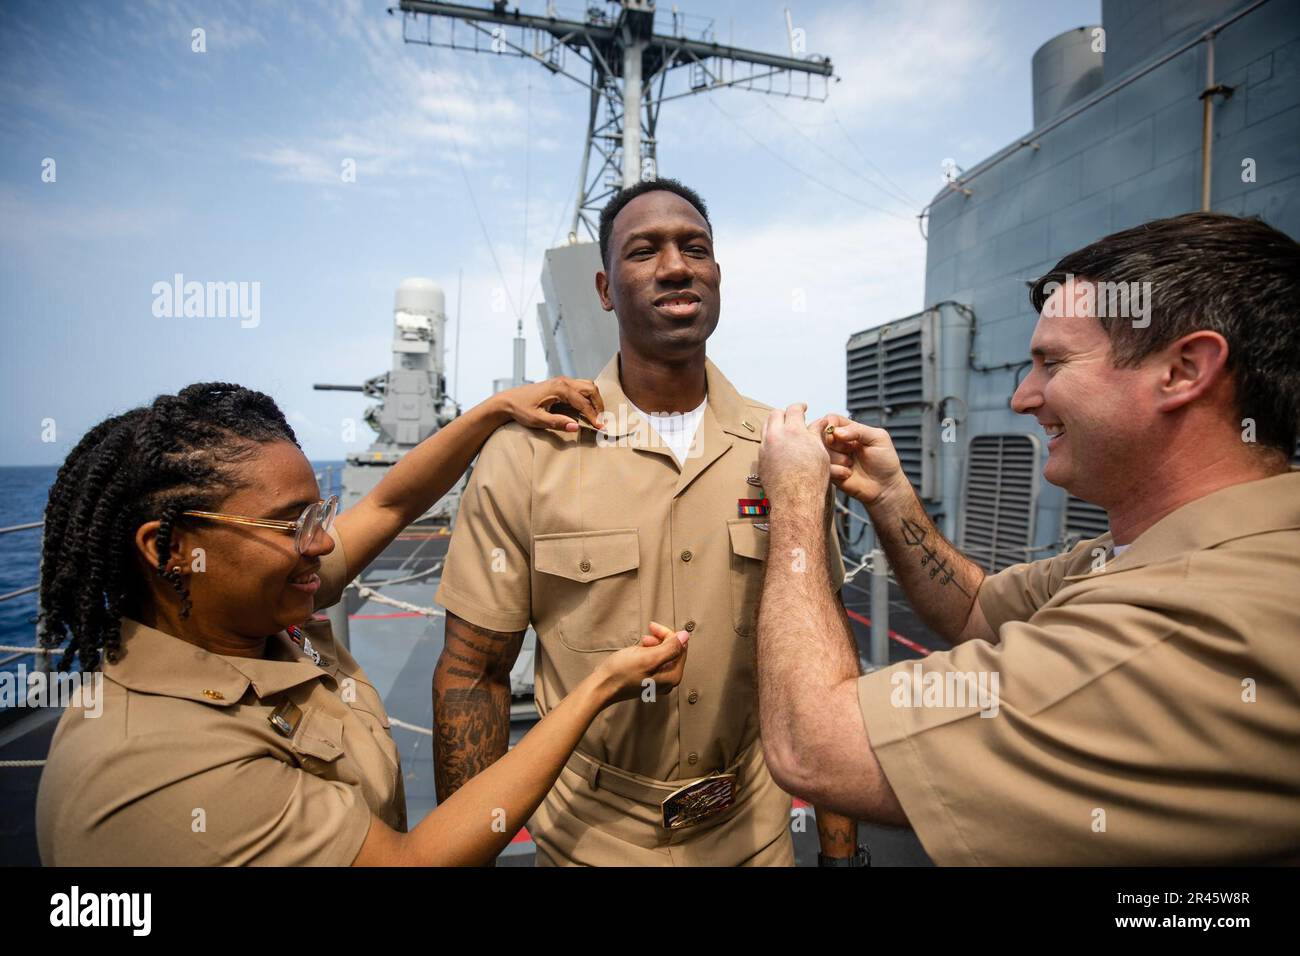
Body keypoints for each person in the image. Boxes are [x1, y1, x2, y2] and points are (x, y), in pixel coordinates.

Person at [754, 212, 1300, 864]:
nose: (1023, 397)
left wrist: (791, 502)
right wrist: (891, 495)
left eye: (1051, 363)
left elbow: (813, 746)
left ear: (1184, 370)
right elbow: (974, 606)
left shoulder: (1196, 616)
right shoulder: (1157, 553)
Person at [36, 378, 692, 866]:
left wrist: (496, 410)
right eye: (290, 525)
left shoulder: (239, 605)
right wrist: (601, 687)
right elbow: (410, 864)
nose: (321, 545)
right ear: (167, 549)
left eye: (316, 516)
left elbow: (389, 499)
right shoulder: (160, 765)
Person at [432, 179, 864, 866]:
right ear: (605, 288)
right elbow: (471, 675)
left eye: (696, 248)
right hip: (591, 840)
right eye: (644, 251)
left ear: (717, 276)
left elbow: (826, 664)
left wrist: (842, 857)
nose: (675, 265)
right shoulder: (528, 456)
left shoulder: (782, 449)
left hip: (754, 829)